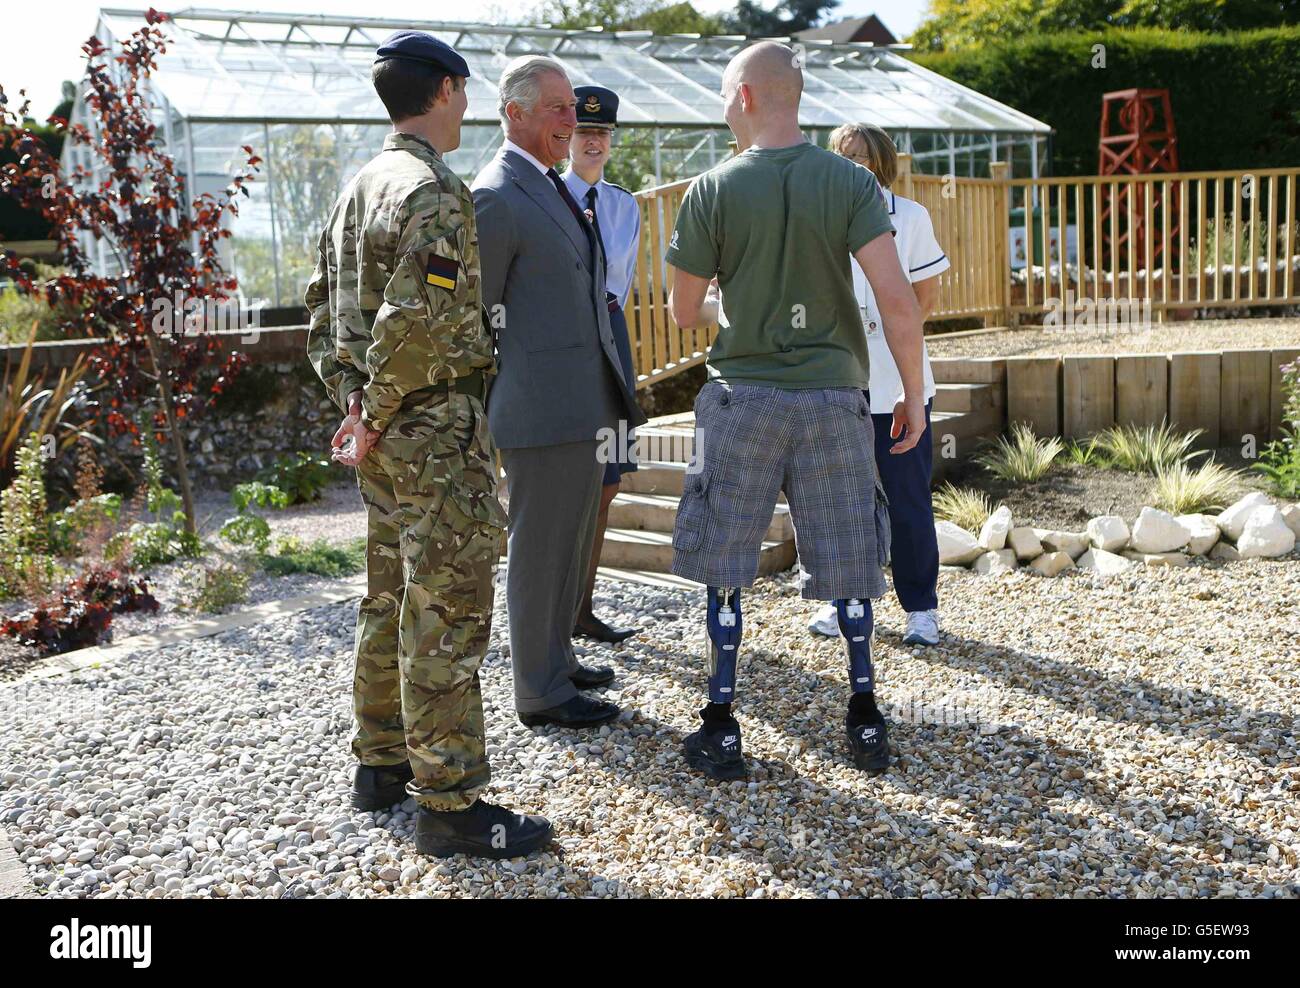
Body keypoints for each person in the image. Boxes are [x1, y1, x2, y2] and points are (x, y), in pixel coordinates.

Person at [305, 31, 551, 859]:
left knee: (388, 596)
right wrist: (373, 409)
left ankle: (379, 765)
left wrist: (352, 407)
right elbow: (418, 318)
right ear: (444, 89)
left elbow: (321, 311)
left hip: (378, 432)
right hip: (429, 427)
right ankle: (449, 804)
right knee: (445, 612)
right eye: (466, 88)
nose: (469, 102)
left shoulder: (358, 187)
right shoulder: (432, 191)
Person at [665, 42, 927, 779]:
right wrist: (909, 394)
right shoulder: (850, 183)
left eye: (723, 97)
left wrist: (732, 303)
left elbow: (686, 311)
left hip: (741, 399)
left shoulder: (710, 189)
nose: (722, 110)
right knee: (847, 559)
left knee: (725, 566)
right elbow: (896, 301)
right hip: (834, 399)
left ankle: (720, 725)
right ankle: (865, 718)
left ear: (746, 96)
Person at [471, 56, 647, 729]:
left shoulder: (543, 184)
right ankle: (539, 690)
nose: (572, 123)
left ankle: (558, 659)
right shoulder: (496, 194)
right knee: (539, 552)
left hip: (579, 405)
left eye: (573, 109)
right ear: (514, 112)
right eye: (557, 108)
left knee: (568, 544)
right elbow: (476, 317)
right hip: (541, 410)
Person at [808, 123, 949, 647]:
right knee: (840, 498)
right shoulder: (821, 220)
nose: (854, 165)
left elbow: (924, 297)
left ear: (882, 161)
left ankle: (921, 609)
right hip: (836, 383)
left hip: (897, 383)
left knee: (907, 497)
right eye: (843, 157)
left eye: (864, 157)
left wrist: (894, 338)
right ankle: (843, 600)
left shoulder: (910, 218)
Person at [563, 85, 642, 645]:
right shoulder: (547, 195)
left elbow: (623, 285)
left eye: (602, 134)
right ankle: (556, 614)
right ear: (568, 137)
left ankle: (583, 609)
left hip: (610, 338)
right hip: (566, 340)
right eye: (584, 132)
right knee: (567, 484)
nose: (593, 142)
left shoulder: (623, 204)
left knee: (609, 482)